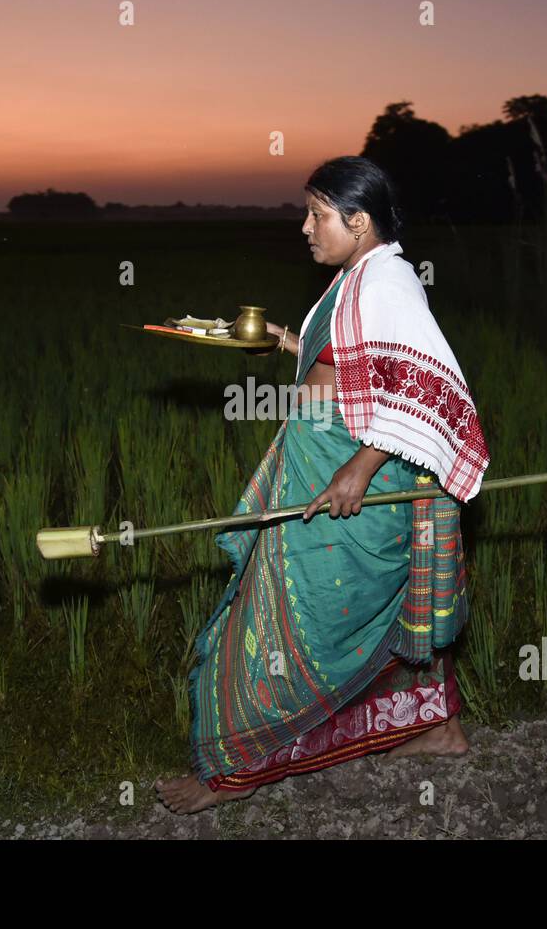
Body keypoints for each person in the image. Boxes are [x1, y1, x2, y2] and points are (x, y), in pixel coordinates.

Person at [155, 156, 491, 814]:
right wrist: (284, 341)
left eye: (318, 213)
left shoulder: (387, 282)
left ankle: (239, 766)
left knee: (283, 619)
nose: (304, 226)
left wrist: (357, 469)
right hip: (323, 463)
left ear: (359, 220)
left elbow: (418, 387)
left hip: (348, 483)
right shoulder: (362, 274)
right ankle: (438, 726)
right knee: (387, 608)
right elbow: (358, 362)